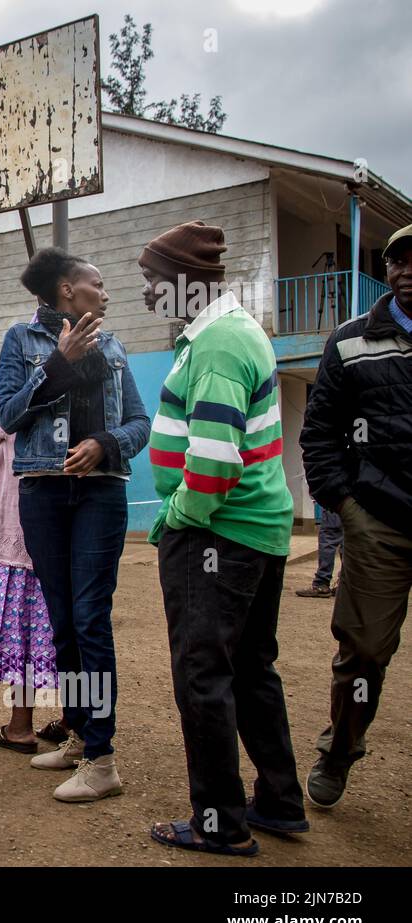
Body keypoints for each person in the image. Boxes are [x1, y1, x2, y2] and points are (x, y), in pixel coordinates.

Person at [137, 221, 304, 855]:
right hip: (256, 532)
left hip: (218, 535)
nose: (150, 295)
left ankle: (220, 823)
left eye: (155, 282)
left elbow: (212, 463)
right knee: (252, 667)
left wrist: (177, 515)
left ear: (185, 283)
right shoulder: (236, 334)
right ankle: (280, 800)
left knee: (203, 673)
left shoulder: (215, 345)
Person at [0, 249, 149, 801]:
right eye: (98, 283)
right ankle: (82, 735)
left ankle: (103, 758)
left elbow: (139, 422)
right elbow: (9, 416)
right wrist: (56, 364)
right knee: (62, 621)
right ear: (66, 290)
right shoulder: (21, 340)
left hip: (100, 495)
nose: (105, 293)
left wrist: (104, 444)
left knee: (90, 618)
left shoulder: (113, 346)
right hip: (41, 491)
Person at [300, 222, 412, 810]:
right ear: (387, 271)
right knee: (364, 649)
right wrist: (345, 502)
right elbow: (319, 432)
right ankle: (340, 749)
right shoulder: (351, 341)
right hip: (380, 521)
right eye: (398, 261)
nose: (408, 270)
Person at [0, 398, 58, 753]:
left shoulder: (8, 399)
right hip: (62, 529)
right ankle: (73, 718)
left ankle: (21, 726)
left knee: (17, 632)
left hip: (15, 527)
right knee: (60, 628)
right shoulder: (77, 394)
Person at [296, 505, 343, 598]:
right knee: (349, 539)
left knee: (329, 536)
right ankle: (345, 583)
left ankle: (322, 583)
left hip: (337, 500)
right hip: (358, 504)